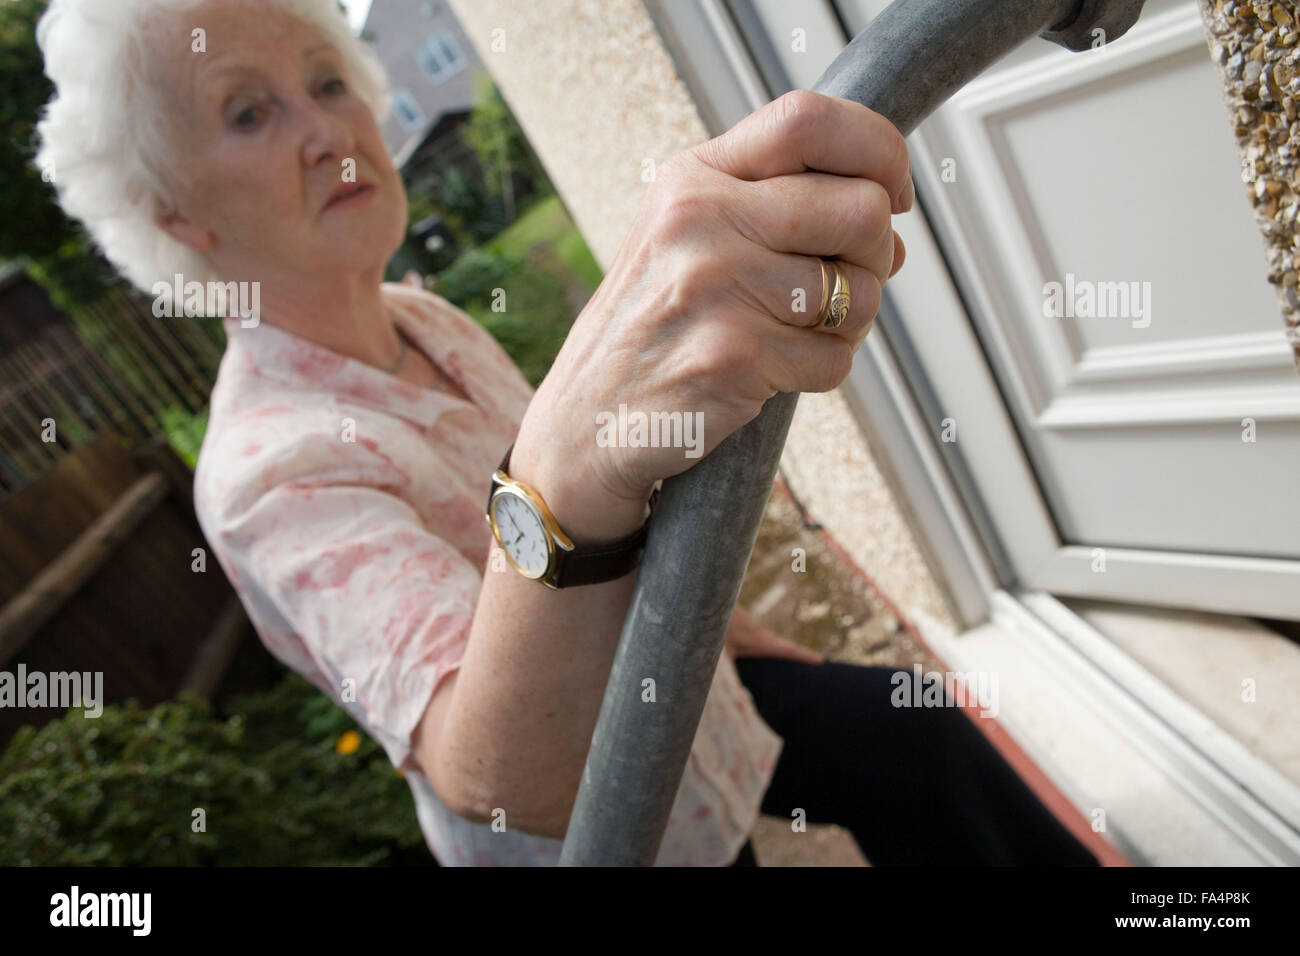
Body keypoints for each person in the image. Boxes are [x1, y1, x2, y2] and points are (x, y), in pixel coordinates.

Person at [34, 0, 1099, 866]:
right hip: (617, 830)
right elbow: (504, 781)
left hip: (690, 698)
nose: (329, 131)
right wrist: (566, 457)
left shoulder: (428, 320)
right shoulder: (266, 471)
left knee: (916, 733)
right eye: (247, 114)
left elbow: (622, 541)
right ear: (178, 214)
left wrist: (736, 637)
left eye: (325, 81)